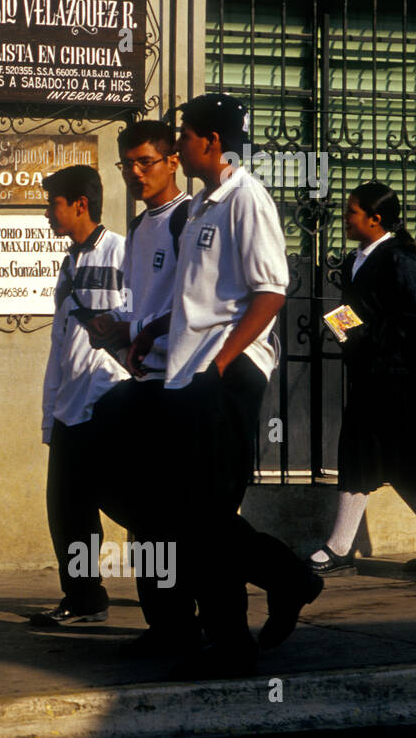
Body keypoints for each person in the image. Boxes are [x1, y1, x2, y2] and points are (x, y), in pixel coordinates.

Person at [128, 94, 321, 677]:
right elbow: (202, 298)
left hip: (226, 377)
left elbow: (269, 292)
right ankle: (287, 581)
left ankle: (235, 641)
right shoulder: (202, 210)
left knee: (205, 517)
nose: (177, 144)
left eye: (184, 136)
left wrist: (221, 362)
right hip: (188, 372)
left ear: (210, 142)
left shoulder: (246, 200)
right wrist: (158, 329)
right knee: (193, 515)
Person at [309, 182, 416, 576]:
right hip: (368, 372)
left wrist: (366, 335)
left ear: (375, 219)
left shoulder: (400, 260)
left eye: (352, 212)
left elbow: (413, 319)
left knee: (372, 453)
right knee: (390, 458)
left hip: (395, 376)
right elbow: (357, 309)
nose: (345, 219)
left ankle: (341, 546)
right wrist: (345, 328)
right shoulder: (355, 260)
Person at [86, 121, 197, 656]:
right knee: (136, 508)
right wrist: (116, 326)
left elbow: (200, 305)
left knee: (171, 515)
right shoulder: (139, 231)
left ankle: (181, 623)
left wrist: (149, 330)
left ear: (172, 160)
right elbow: (138, 305)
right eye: (127, 164)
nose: (135, 173)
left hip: (179, 386)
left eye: (145, 162)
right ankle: (163, 622)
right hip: (143, 379)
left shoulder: (189, 221)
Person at [32, 164, 128, 627]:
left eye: (53, 204)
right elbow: (59, 343)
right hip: (72, 407)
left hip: (109, 403)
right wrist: (51, 412)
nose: (47, 214)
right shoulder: (69, 265)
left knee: (131, 504)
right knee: (66, 507)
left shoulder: (121, 254)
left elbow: (138, 325)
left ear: (80, 205)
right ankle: (85, 598)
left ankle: (183, 591)